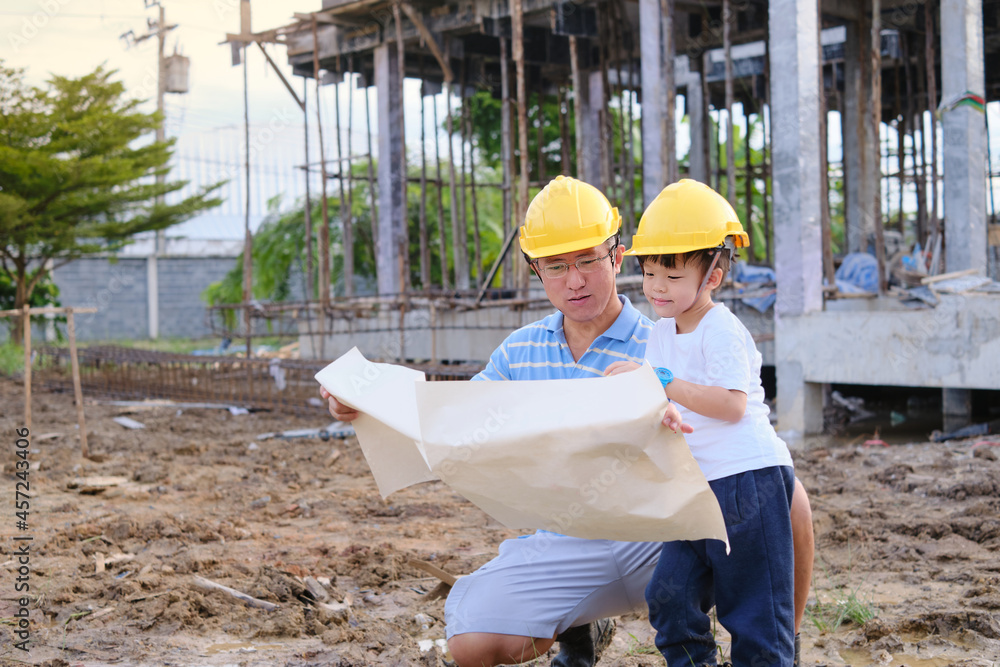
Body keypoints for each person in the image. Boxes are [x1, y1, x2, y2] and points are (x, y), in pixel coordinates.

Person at [321, 175, 814, 667]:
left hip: (655, 536)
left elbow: (722, 419)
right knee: (472, 644)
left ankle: (780, 642)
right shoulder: (519, 352)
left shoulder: (661, 340)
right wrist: (367, 401)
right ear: (536, 270)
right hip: (564, 543)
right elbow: (448, 420)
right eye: (556, 266)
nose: (574, 280)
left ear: (617, 258)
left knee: (785, 495)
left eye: (587, 261)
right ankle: (580, 625)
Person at [606, 178, 798, 665]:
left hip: (747, 482)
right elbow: (666, 399)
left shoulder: (722, 328)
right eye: (649, 273)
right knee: (669, 597)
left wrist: (662, 382)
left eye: (671, 276)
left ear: (712, 275)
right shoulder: (661, 332)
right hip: (697, 487)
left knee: (753, 615)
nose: (656, 288)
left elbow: (732, 405)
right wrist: (647, 396)